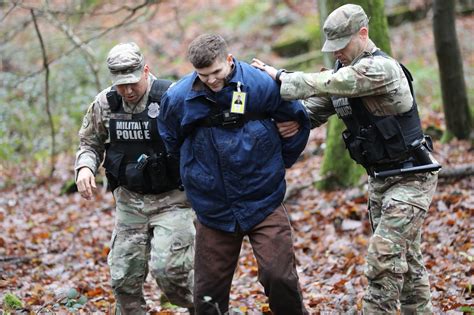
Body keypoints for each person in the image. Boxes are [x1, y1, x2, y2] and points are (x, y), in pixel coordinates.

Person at [253, 4, 439, 314]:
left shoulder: (380, 69)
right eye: (333, 47)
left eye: (342, 45)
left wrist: (281, 75)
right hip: (380, 180)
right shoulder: (341, 77)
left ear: (363, 34)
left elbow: (331, 83)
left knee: (383, 258)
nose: (336, 53)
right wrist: (273, 128)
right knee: (407, 259)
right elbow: (310, 112)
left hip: (413, 177)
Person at [157, 34, 310, 315]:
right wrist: (193, 176)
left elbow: (297, 120)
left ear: (229, 60)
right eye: (203, 75)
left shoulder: (258, 83)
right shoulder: (179, 99)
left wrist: (279, 163)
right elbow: (170, 139)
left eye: (216, 72)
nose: (212, 80)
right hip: (213, 207)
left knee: (280, 277)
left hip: (263, 198)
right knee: (207, 295)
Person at [74, 42, 195, 315]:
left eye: (132, 83)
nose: (127, 91)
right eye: (121, 85)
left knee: (171, 272)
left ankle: (205, 306)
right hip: (130, 202)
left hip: (173, 199)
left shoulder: (171, 97)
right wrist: (84, 167)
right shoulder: (106, 103)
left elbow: (200, 138)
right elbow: (89, 143)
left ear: (146, 71)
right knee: (123, 280)